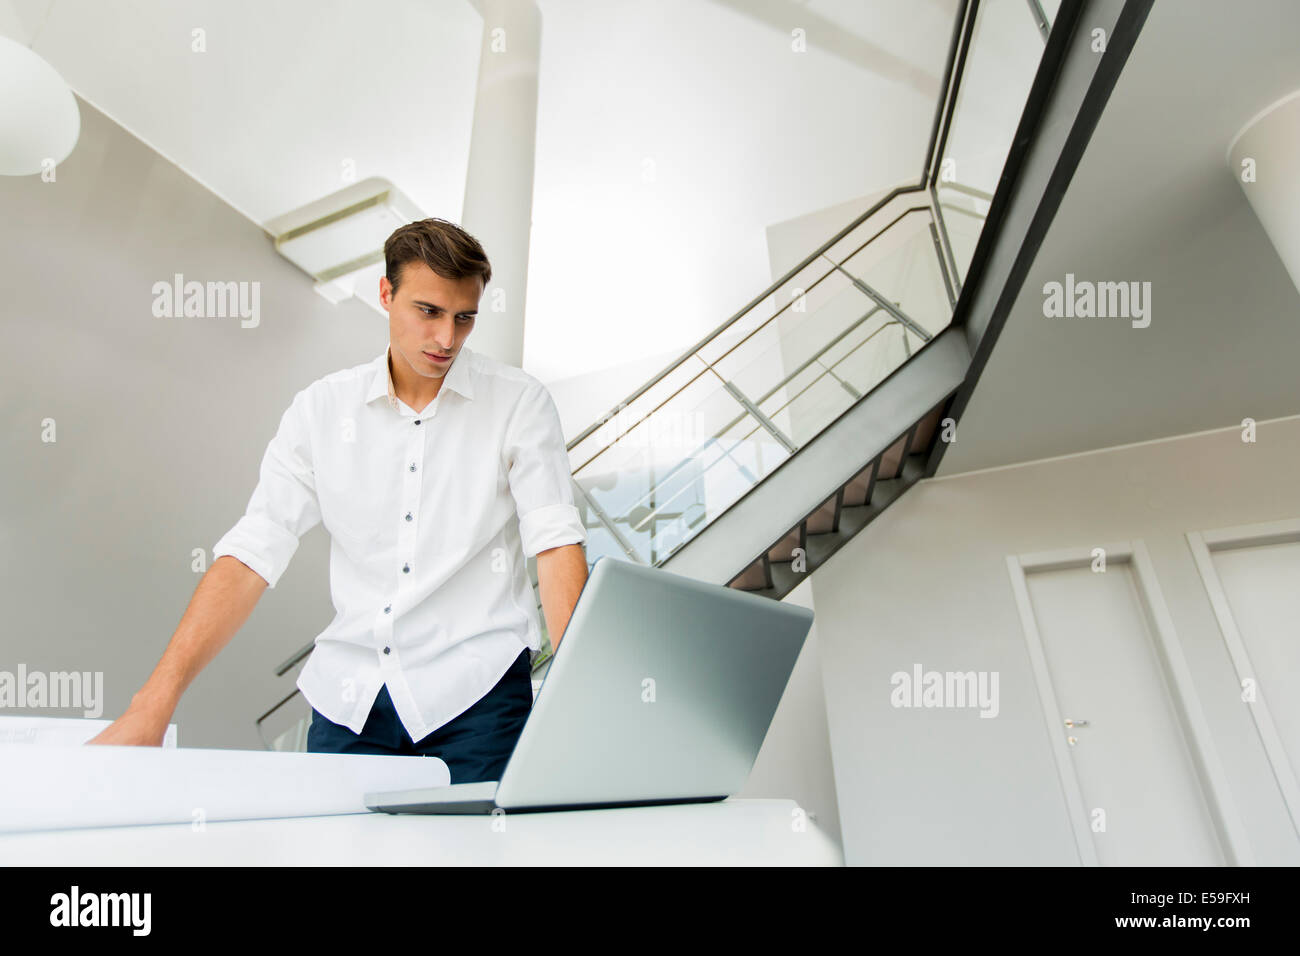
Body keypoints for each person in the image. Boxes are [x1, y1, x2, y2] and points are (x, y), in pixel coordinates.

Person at [88, 218, 590, 784]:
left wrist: (580, 702)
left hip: (478, 700)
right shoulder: (320, 411)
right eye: (428, 311)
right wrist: (154, 702)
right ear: (386, 295)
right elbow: (253, 552)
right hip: (349, 702)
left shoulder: (518, 403)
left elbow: (553, 542)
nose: (447, 338)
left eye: (464, 317)